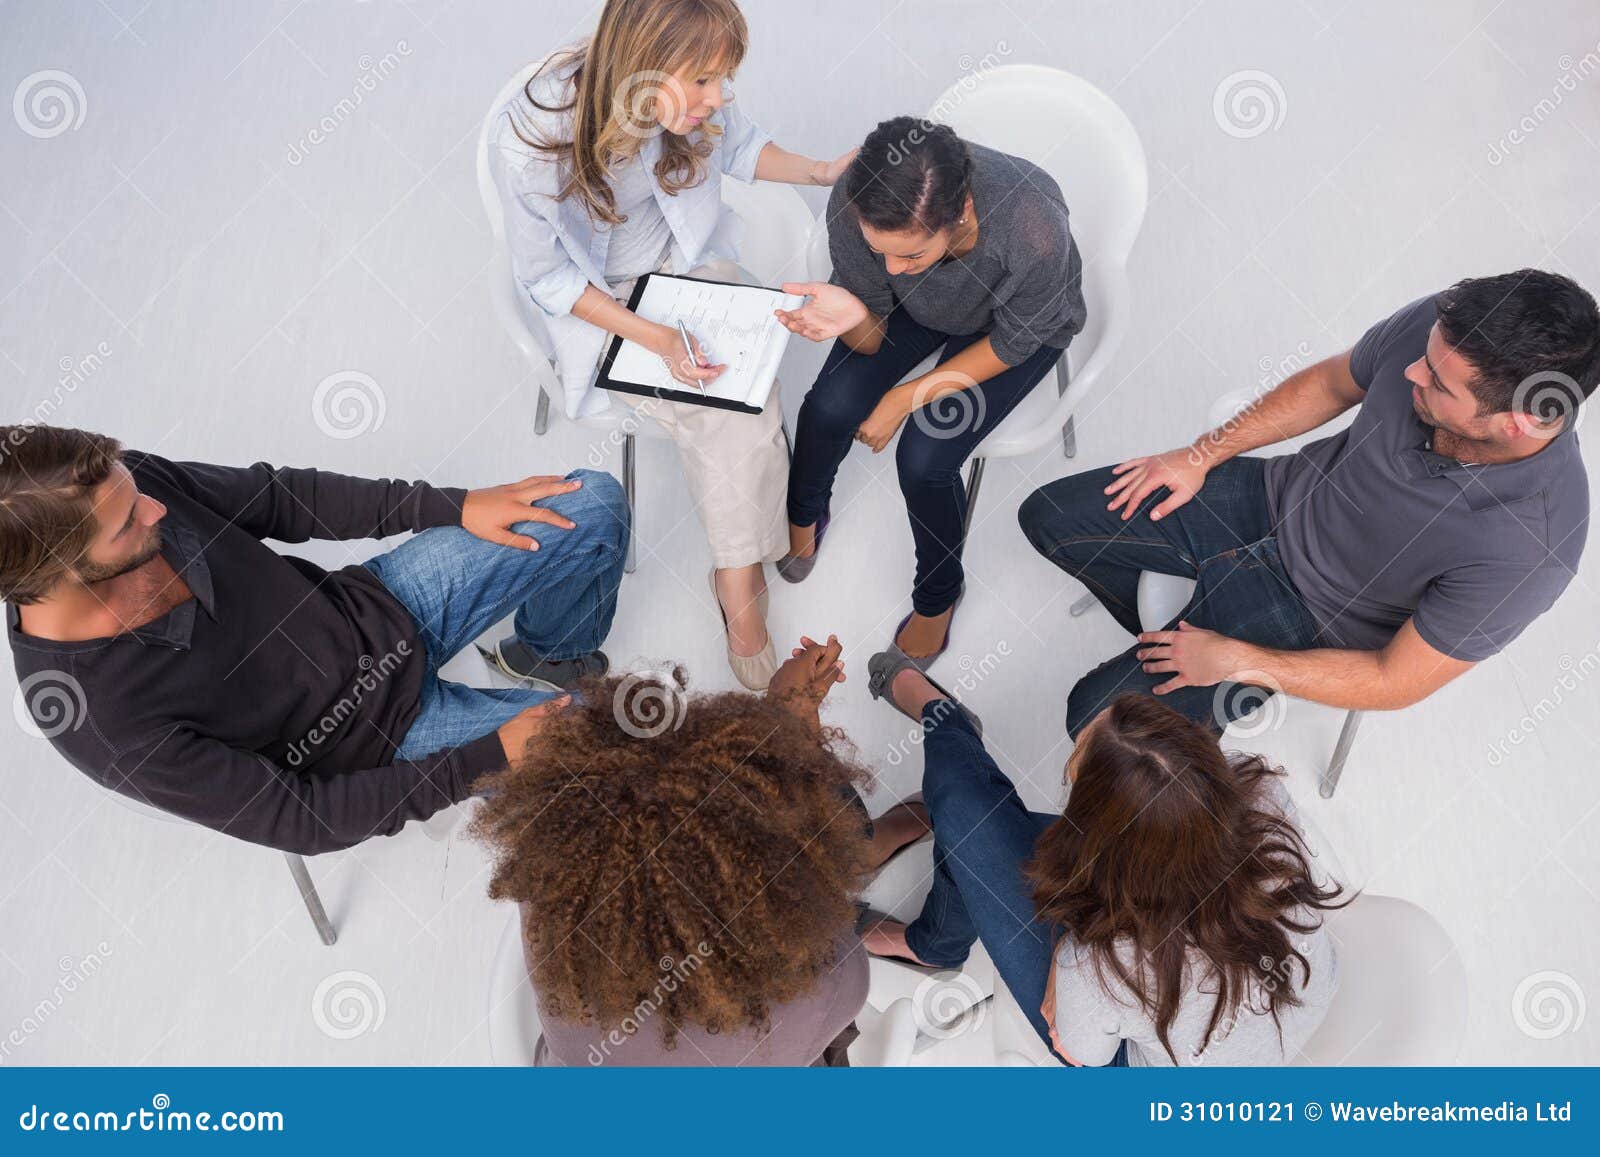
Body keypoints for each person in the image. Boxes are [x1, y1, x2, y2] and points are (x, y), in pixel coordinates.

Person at [1019, 269, 1600, 737]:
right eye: (1425, 359)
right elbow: (1332, 383)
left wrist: (1241, 662)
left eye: (1437, 385)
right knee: (1048, 519)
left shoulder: (1535, 548)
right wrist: (1201, 454)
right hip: (1276, 498)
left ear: (1521, 421)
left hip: (1316, 617)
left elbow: (1394, 680)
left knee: (1093, 721)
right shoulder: (1443, 333)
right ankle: (1170, 644)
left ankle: (1187, 682)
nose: (1410, 373)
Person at [1, 424, 627, 855]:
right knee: (623, 746)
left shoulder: (125, 491)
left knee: (590, 502)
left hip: (369, 611)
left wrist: (452, 504)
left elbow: (280, 499)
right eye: (126, 525)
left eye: (135, 493)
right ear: (53, 575)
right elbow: (306, 818)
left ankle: (548, 656)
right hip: (373, 743)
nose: (154, 509)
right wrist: (489, 756)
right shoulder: (100, 718)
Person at [488, 0, 853, 690]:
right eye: (706, 82)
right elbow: (548, 277)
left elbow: (742, 146)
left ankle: (737, 568)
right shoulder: (537, 136)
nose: (721, 99)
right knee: (733, 404)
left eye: (724, 80)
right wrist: (656, 335)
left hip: (685, 268)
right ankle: (739, 584)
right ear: (645, 65)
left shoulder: (690, 101)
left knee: (749, 382)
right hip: (607, 300)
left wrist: (826, 169)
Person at [862, 646, 1346, 1066]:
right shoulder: (1262, 794)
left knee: (967, 814)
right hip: (1308, 1000)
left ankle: (942, 718)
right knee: (975, 830)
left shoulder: (1099, 964)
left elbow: (1079, 1053)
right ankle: (938, 930)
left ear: (1099, 840)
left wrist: (1069, 973)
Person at [469, 636, 930, 1067]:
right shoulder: (831, 985)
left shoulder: (551, 895)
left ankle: (859, 847)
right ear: (764, 879)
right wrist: (791, 733)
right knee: (838, 833)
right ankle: (863, 849)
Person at [775, 115, 1084, 664]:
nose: (894, 266)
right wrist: (852, 313)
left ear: (961, 212)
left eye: (911, 255)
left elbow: (1013, 346)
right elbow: (872, 335)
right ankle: (805, 512)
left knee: (924, 457)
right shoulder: (857, 199)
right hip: (916, 312)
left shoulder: (1032, 225)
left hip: (1006, 331)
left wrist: (902, 398)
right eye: (881, 252)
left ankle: (939, 596)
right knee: (827, 407)